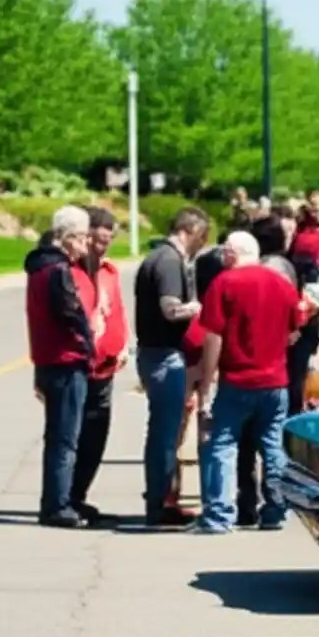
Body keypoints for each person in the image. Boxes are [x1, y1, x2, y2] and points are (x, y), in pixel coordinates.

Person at [194, 231, 301, 533]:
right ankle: (276, 509)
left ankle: (219, 515)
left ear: (231, 253)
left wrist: (206, 382)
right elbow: (294, 332)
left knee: (223, 443)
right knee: (272, 445)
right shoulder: (283, 285)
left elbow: (213, 336)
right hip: (275, 380)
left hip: (238, 379)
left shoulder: (224, 283)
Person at [134, 206, 210, 527]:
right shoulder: (168, 261)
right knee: (165, 434)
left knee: (163, 432)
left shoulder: (157, 257)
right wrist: (196, 308)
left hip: (154, 353)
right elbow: (170, 309)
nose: (202, 244)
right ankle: (159, 502)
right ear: (189, 230)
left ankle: (160, 497)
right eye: (202, 236)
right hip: (163, 355)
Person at [25, 206, 94, 528]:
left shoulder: (39, 268)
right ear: (67, 238)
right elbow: (69, 312)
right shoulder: (58, 271)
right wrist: (87, 342)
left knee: (57, 436)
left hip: (48, 359)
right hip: (65, 361)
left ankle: (54, 500)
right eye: (82, 237)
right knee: (65, 437)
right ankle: (58, 505)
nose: (86, 244)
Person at [70, 206, 129, 525]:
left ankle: (79, 495)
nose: (100, 247)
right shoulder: (71, 272)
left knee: (96, 435)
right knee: (72, 435)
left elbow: (117, 309)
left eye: (107, 241)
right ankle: (65, 497)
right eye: (95, 240)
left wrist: (123, 343)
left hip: (107, 367)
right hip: (79, 367)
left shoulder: (110, 271)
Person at [286, 190, 319, 414]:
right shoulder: (300, 233)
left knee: (308, 357)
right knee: (301, 360)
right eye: (313, 207)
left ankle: (302, 401)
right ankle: (298, 404)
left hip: (317, 293)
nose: (317, 212)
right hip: (308, 296)